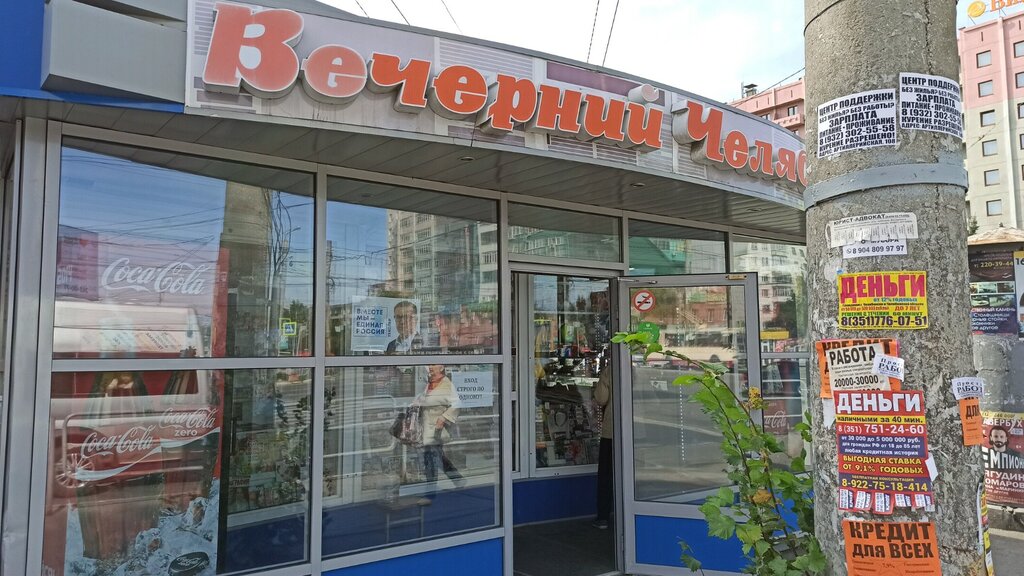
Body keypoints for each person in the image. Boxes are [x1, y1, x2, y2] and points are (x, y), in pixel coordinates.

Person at [418, 365, 465, 491]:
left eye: (434, 364)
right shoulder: (431, 383)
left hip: (436, 429)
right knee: (437, 456)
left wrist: (443, 418)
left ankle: (431, 490)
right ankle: (457, 479)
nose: (430, 367)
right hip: (426, 426)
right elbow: (428, 400)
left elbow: (457, 404)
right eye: (430, 365)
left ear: (441, 367)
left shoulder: (446, 384)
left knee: (431, 457)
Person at [592, 360, 613, 529]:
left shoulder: (609, 371)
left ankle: (603, 517)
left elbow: (601, 398)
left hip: (612, 431)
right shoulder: (642, 371)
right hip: (637, 431)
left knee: (606, 475)